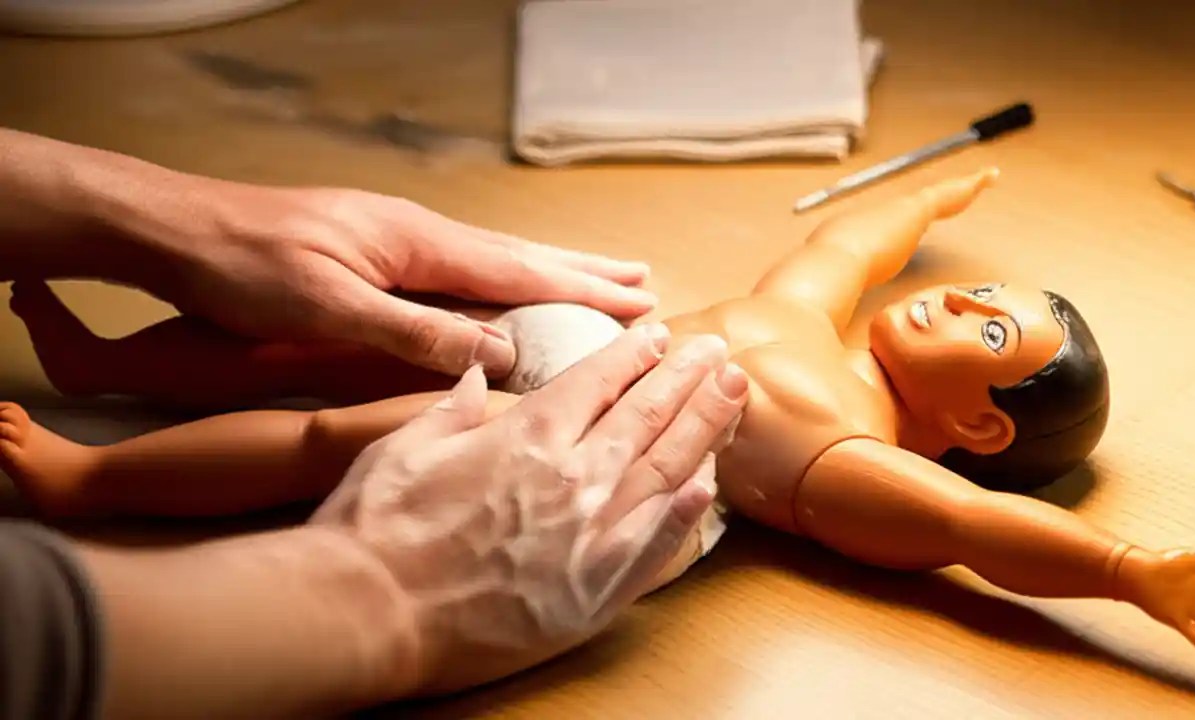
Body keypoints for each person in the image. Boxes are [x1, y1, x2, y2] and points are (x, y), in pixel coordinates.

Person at [0, 127, 747, 719]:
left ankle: (97, 474)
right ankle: (107, 370)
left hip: (596, 436)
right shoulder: (817, 336)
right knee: (316, 347)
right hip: (586, 358)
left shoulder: (827, 421)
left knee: (316, 436)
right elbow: (837, 250)